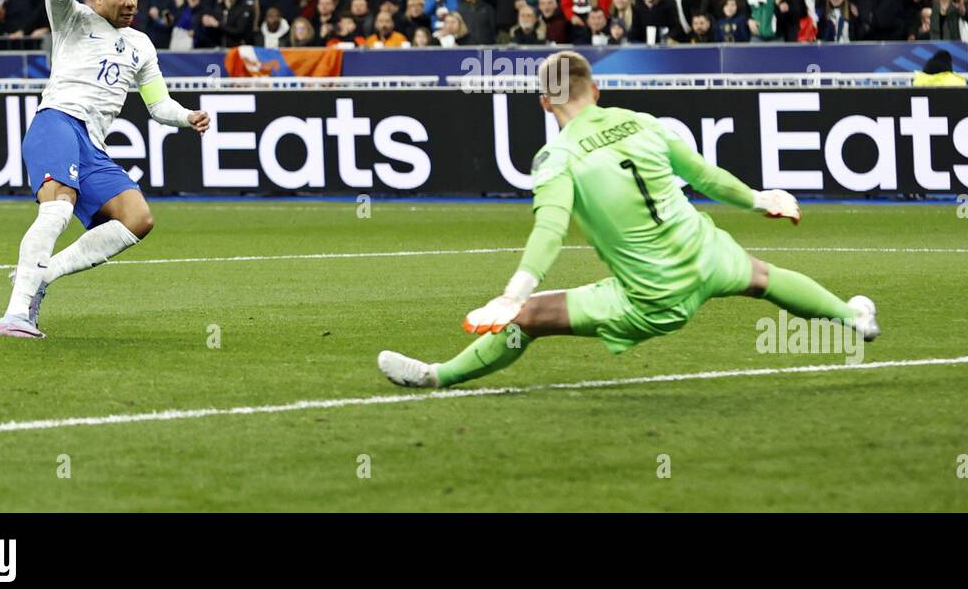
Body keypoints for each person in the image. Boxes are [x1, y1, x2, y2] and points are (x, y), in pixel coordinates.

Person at [377, 51, 879, 389]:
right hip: (706, 254)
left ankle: (436, 376)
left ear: (543, 101)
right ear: (595, 89)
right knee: (764, 277)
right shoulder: (642, 122)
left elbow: (549, 230)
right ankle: (852, 317)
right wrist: (759, 199)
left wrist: (514, 293)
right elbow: (706, 177)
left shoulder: (556, 157)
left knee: (529, 318)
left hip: (653, 293)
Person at [0, 0, 212, 339]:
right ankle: (15, 314)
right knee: (57, 211)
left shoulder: (141, 45)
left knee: (137, 218)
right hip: (57, 122)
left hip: (93, 147)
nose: (130, 3)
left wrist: (186, 116)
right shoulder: (73, 19)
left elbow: (158, 104)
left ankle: (42, 275)